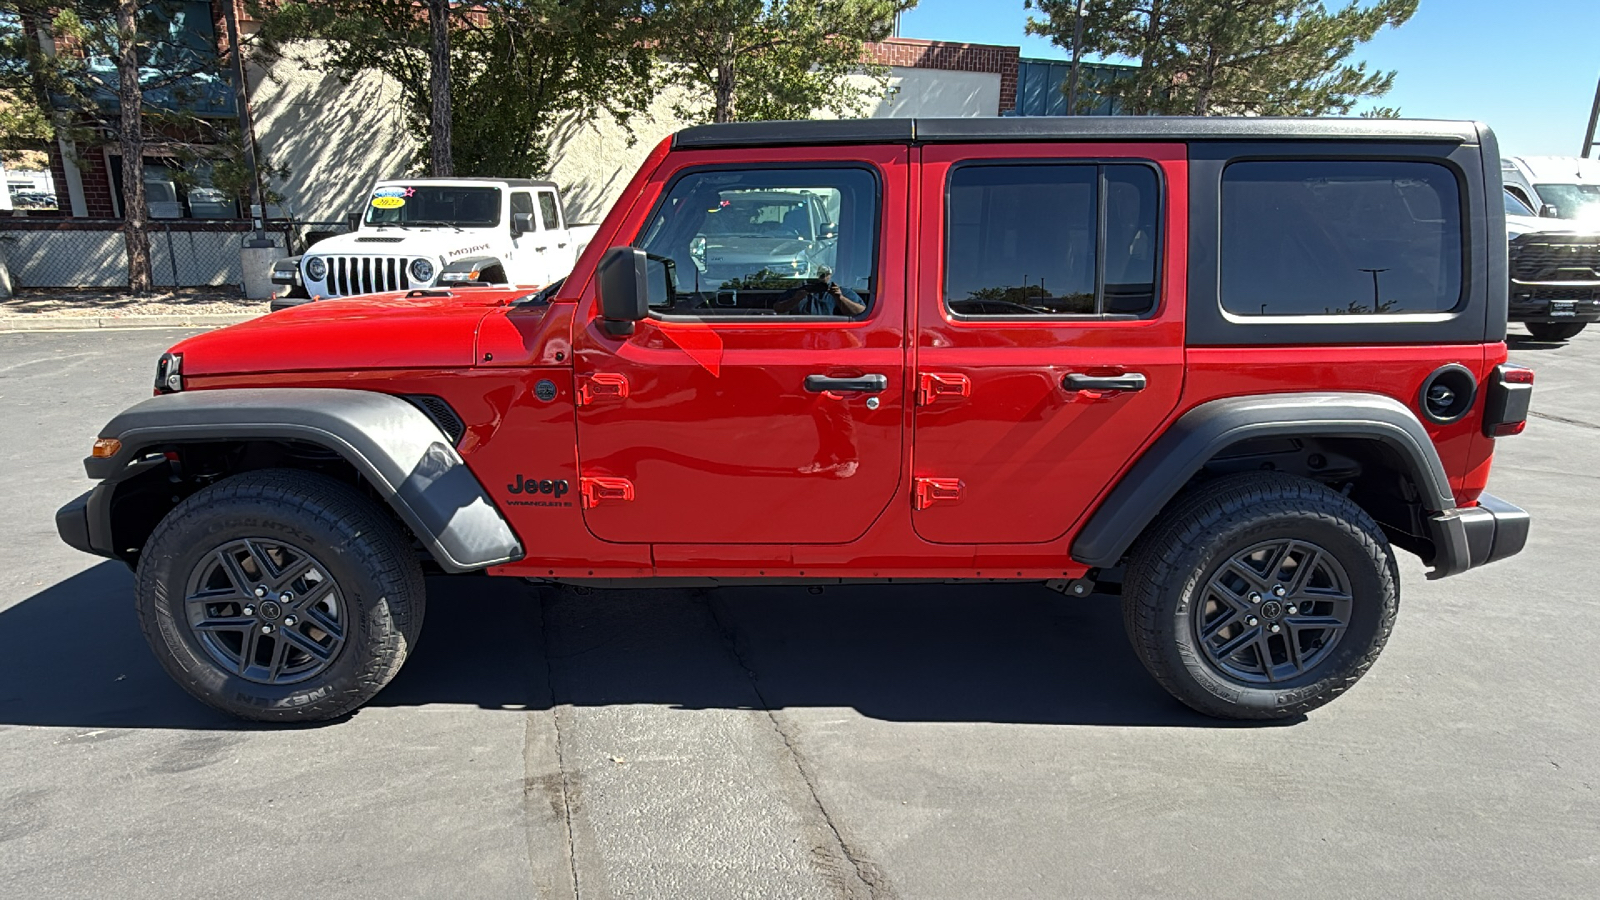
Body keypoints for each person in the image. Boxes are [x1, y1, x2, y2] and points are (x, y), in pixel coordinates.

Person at [773, 266, 866, 316]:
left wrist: (840, 298)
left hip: (831, 333)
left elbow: (861, 312)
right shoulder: (796, 292)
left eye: (824, 274)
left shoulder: (841, 292)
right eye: (817, 274)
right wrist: (795, 299)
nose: (821, 278)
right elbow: (778, 309)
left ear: (830, 275)